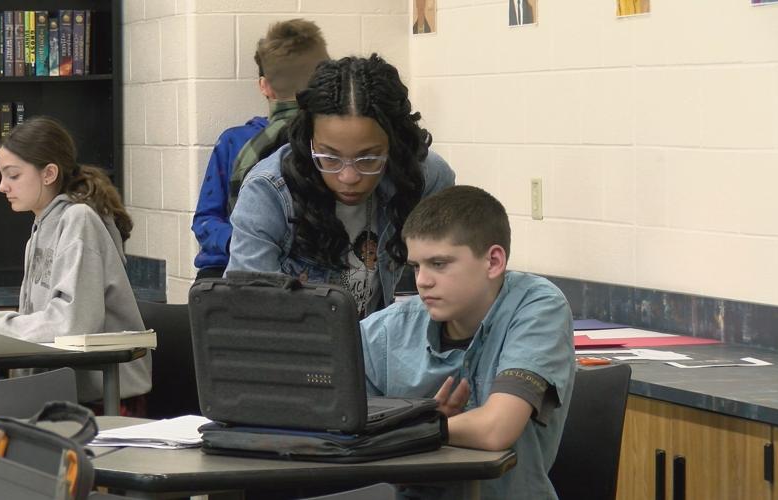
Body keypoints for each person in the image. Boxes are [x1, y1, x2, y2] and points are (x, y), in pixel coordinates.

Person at [360, 185, 575, 499]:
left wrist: (421, 430)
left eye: (439, 264)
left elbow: (495, 429)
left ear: (493, 262)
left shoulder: (538, 307)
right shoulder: (388, 329)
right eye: (417, 266)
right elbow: (336, 430)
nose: (422, 281)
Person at [0, 116, 152, 409]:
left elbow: (71, 323)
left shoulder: (79, 220)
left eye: (13, 175)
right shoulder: (42, 227)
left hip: (104, 399)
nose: (2, 186)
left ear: (49, 173)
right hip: (59, 392)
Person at [226, 54, 455, 318]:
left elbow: (448, 287)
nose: (348, 177)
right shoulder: (268, 190)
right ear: (309, 140)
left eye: (368, 158)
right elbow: (249, 310)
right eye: (329, 157)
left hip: (382, 350)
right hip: (296, 351)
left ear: (393, 144)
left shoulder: (426, 178)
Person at [192, 18, 329, 279]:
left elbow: (205, 221)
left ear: (264, 85)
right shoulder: (334, 140)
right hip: (309, 278)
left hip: (225, 274)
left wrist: (246, 241)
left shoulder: (234, 142)